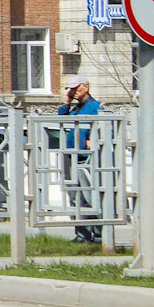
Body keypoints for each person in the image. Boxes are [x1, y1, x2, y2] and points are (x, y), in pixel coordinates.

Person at [57, 75, 103, 244]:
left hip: (86, 158)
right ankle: (82, 234)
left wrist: (93, 140)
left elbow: (104, 127)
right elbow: (62, 121)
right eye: (71, 89)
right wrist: (66, 103)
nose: (73, 92)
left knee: (90, 196)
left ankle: (98, 234)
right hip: (72, 156)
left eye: (76, 88)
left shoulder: (94, 106)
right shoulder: (75, 109)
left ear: (86, 87)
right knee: (75, 197)